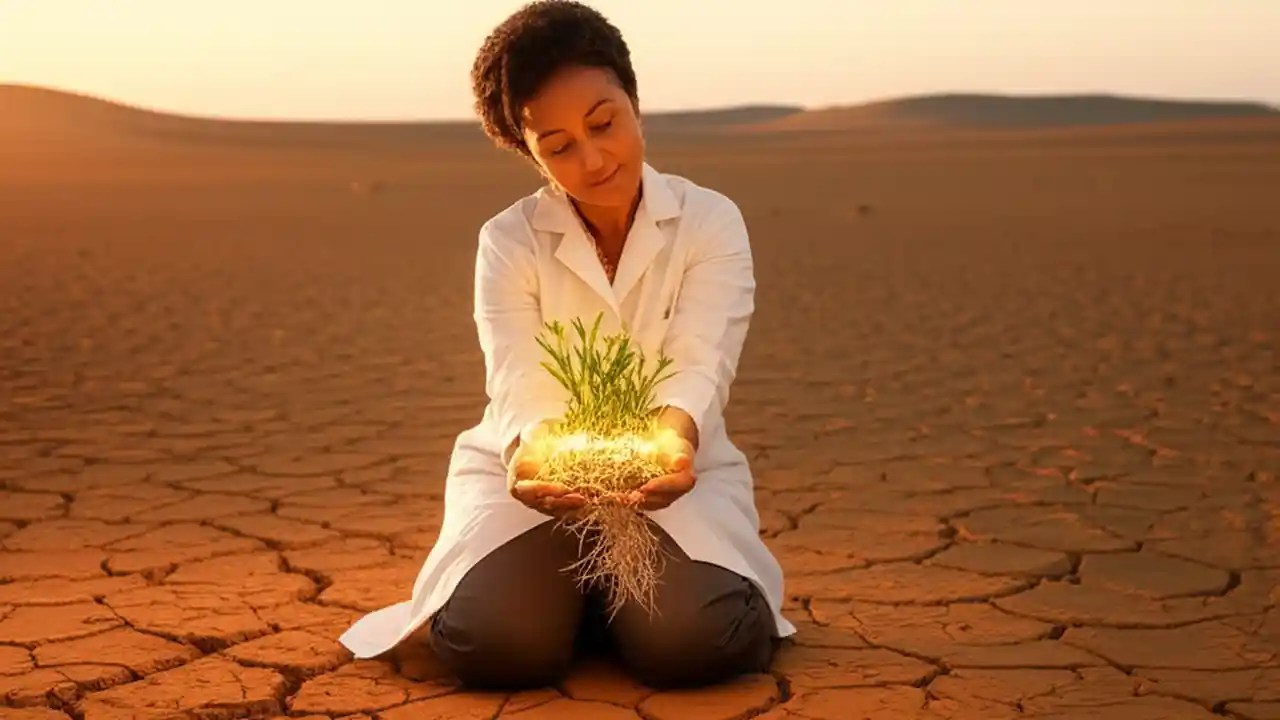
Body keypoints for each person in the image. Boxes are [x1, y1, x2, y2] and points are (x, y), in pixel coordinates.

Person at [338, 0, 794, 689]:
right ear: (530, 154)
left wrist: (673, 442)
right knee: (492, 646)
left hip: (674, 477)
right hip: (536, 480)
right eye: (558, 146)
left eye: (604, 123)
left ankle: (619, 601)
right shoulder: (509, 240)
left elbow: (702, 360)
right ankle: (578, 599)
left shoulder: (708, 222)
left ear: (634, 101)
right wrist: (535, 456)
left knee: (693, 646)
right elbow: (518, 372)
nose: (593, 158)